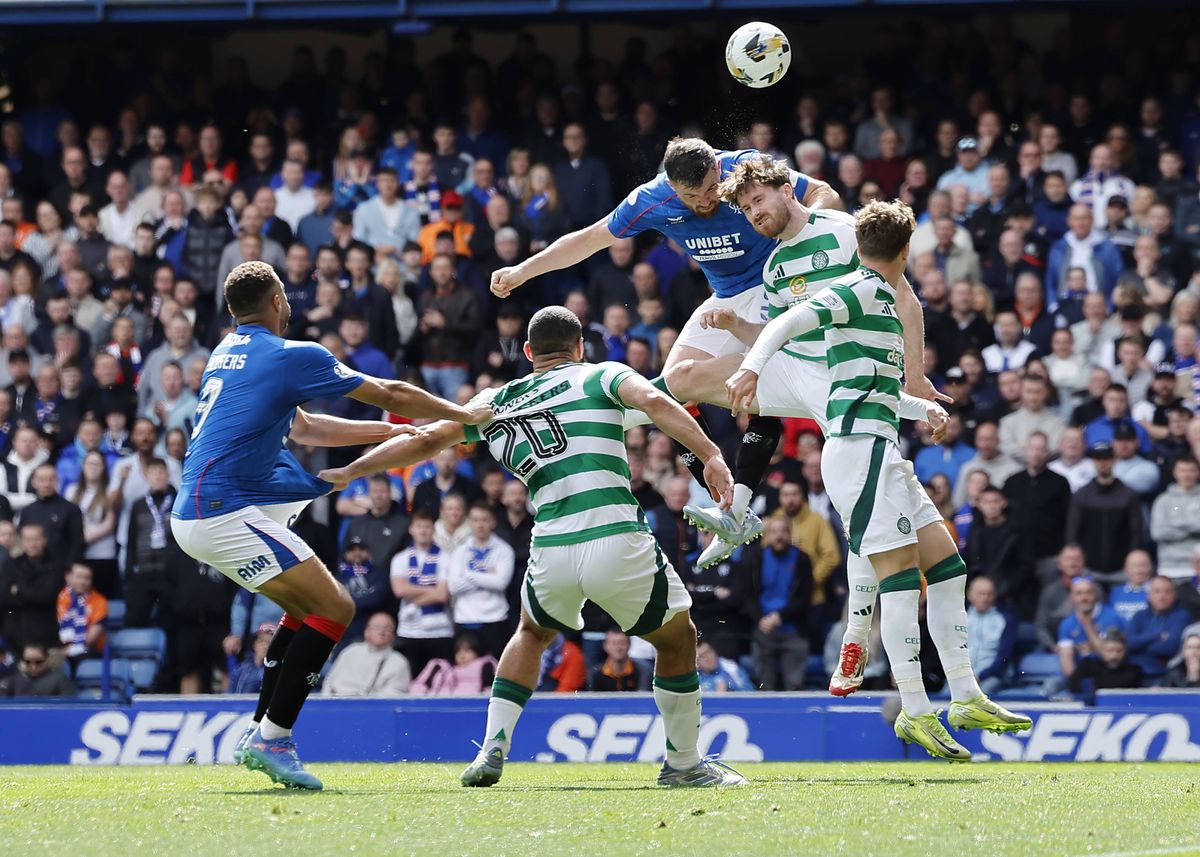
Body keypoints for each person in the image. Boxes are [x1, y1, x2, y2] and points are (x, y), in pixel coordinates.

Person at [318, 305, 744, 788]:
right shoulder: (600, 375)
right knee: (676, 638)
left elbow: (425, 440)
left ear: (527, 352)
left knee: (531, 634)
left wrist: (351, 472)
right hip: (613, 533)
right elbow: (654, 400)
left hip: (551, 545)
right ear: (580, 346)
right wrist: (710, 454)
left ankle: (492, 751)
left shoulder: (496, 401)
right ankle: (684, 764)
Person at [721, 198, 1030, 758]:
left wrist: (922, 410)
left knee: (948, 566)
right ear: (906, 250)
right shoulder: (860, 290)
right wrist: (750, 367)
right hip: (857, 453)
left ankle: (964, 693)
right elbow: (786, 323)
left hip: (883, 448)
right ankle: (914, 707)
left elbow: (873, 387)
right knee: (899, 581)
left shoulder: (880, 300)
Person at [168, 261, 490, 790]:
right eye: (286, 295)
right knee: (337, 607)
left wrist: (399, 432)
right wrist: (461, 415)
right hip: (222, 508)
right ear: (276, 300)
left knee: (304, 608)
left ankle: (260, 733)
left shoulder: (226, 353)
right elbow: (388, 390)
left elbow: (308, 427)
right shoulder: (292, 354)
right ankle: (274, 737)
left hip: (205, 506)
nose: (290, 303)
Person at [488, 140, 867, 569]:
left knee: (752, 379)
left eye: (712, 188)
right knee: (670, 393)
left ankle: (740, 501)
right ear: (672, 187)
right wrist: (523, 271)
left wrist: (814, 238)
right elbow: (589, 239)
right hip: (724, 296)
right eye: (696, 196)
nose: (709, 199)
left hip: (774, 285)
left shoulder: (740, 169)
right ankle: (728, 504)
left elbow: (824, 192)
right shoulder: (652, 199)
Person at [744, 516, 812, 691]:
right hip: (763, 628)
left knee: (795, 685)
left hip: (794, 630)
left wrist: (780, 616)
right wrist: (761, 619)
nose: (779, 536)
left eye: (783, 531)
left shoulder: (802, 559)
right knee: (764, 685)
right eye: (774, 532)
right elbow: (748, 595)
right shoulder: (755, 559)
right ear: (766, 536)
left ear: (790, 534)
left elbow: (805, 598)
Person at [1066, 442, 1144, 581]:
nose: (1103, 462)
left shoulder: (1128, 494)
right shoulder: (1082, 495)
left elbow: (1136, 532)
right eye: (1098, 458)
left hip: (1122, 571)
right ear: (1093, 462)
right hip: (1089, 570)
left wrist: (1131, 562)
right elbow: (1072, 532)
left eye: (1107, 458)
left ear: (1114, 460)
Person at [390, 510, 453, 678]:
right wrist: (431, 589)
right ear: (411, 529)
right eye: (419, 526)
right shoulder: (400, 558)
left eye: (427, 527)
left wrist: (414, 594)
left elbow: (442, 595)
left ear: (434, 530)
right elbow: (399, 590)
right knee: (409, 679)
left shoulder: (445, 557)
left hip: (439, 631)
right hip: (409, 630)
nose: (423, 531)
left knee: (439, 681)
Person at [446, 501, 514, 659]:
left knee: (494, 673)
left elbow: (500, 583)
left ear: (492, 522)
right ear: (469, 522)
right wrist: (488, 574)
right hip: (465, 618)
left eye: (484, 519)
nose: (480, 525)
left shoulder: (504, 550)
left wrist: (469, 574)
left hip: (495, 619)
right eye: (475, 520)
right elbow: (454, 586)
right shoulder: (460, 551)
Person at [322, 611, 411, 696]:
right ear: (366, 631)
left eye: (387, 628)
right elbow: (329, 680)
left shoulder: (399, 662)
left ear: (393, 635)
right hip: (336, 703)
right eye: (377, 627)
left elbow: (394, 694)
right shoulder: (350, 651)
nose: (381, 632)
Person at [1058, 576, 1124, 683]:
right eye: (1078, 593)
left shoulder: (1112, 617)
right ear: (1072, 597)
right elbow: (1066, 658)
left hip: (1108, 673)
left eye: (1088, 593)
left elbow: (1107, 655)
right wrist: (1075, 682)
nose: (1084, 598)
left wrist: (1087, 624)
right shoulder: (1067, 623)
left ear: (1095, 595)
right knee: (1050, 687)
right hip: (1079, 673)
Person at [1124, 576, 1192, 680]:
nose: (1161, 597)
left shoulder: (1182, 617)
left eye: (1167, 592)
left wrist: (1139, 646)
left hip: (1162, 675)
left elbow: (1170, 647)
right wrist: (1157, 636)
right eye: (1157, 592)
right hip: (1132, 673)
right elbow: (1129, 643)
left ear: (1175, 595)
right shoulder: (1139, 615)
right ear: (1149, 595)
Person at [1150, 456, 1200, 580]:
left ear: (1197, 472)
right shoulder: (1163, 500)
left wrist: (1177, 526)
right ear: (1175, 472)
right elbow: (1158, 533)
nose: (1186, 475)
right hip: (1169, 566)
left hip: (1197, 566)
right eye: (1182, 470)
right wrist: (1192, 531)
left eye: (1191, 470)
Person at [966, 576, 1016, 695]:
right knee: (946, 696)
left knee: (979, 698)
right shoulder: (959, 618)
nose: (985, 598)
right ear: (969, 595)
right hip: (962, 677)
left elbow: (1004, 656)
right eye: (980, 594)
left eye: (989, 594)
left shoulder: (1005, 620)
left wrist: (980, 676)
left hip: (991, 676)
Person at [56, 562, 108, 666]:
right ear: (68, 577)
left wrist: (69, 649)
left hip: (88, 650)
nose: (83, 581)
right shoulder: (59, 597)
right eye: (79, 577)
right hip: (60, 647)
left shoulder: (100, 602)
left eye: (87, 578)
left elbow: (91, 639)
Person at [1067, 629, 1143, 694]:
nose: (1114, 656)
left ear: (1125, 651)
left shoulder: (1133, 670)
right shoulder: (1088, 665)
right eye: (1110, 650)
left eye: (1119, 651)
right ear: (1102, 650)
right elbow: (1073, 684)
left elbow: (1116, 687)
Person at [0, 643, 74, 697]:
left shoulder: (59, 678)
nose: (33, 666)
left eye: (38, 662)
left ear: (47, 659)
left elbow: (69, 705)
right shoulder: (13, 678)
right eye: (28, 662)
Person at [229, 621, 275, 694]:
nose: (265, 646)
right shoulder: (241, 669)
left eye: (270, 643)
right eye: (261, 641)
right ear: (254, 644)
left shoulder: (279, 671)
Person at [588, 627, 641, 691]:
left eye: (622, 643)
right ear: (605, 646)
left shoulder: (642, 671)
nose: (618, 648)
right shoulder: (595, 674)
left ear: (629, 644)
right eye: (614, 643)